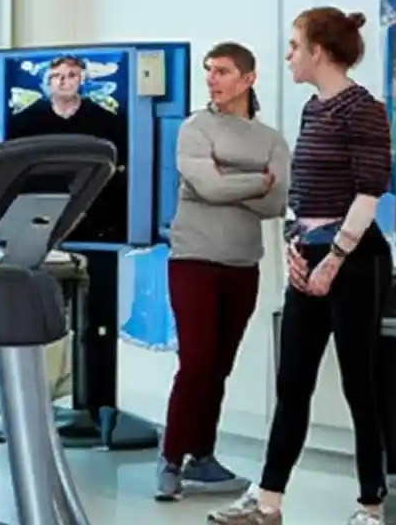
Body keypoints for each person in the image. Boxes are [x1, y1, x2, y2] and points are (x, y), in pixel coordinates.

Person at [211, 7, 393, 525]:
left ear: (318, 51)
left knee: (360, 386)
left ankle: (371, 506)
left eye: (295, 46)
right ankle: (268, 500)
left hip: (355, 260)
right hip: (309, 254)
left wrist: (335, 258)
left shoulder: (364, 109)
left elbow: (369, 193)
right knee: (292, 383)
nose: (288, 56)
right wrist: (295, 244)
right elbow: (303, 191)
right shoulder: (314, 109)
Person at [156, 42, 289, 501]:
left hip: (242, 263)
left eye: (223, 71)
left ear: (248, 79)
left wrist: (228, 182)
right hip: (193, 259)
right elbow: (209, 187)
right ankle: (170, 459)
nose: (212, 79)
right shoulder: (195, 128)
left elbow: (276, 203)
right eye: (209, 70)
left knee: (219, 366)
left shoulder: (270, 139)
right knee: (195, 362)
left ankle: (202, 456)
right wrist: (256, 180)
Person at [6, 55, 128, 242]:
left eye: (72, 75)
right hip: (41, 211)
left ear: (81, 79)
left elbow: (119, 167)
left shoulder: (107, 121)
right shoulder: (24, 123)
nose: (64, 82)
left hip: (94, 212)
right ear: (48, 81)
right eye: (57, 76)